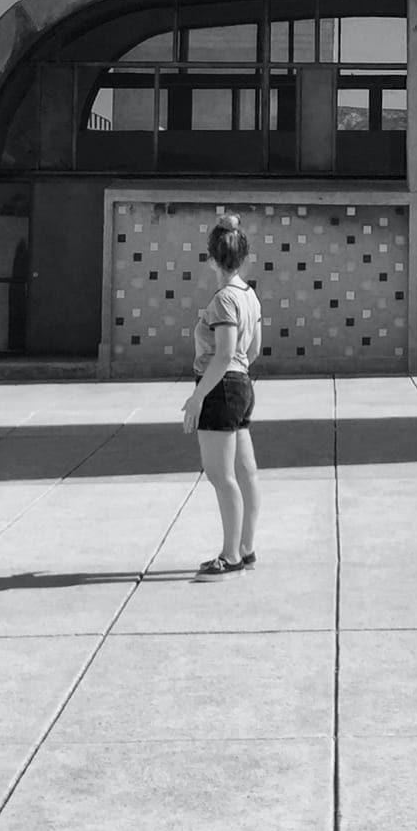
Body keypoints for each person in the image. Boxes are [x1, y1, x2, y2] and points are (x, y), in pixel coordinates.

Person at [180, 214, 263, 575]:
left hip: (220, 386)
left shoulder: (223, 300)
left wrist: (198, 397)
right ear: (243, 257)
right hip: (241, 384)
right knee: (246, 472)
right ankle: (246, 547)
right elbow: (254, 349)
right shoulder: (249, 295)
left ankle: (229, 554)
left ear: (211, 259)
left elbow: (225, 353)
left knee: (220, 473)